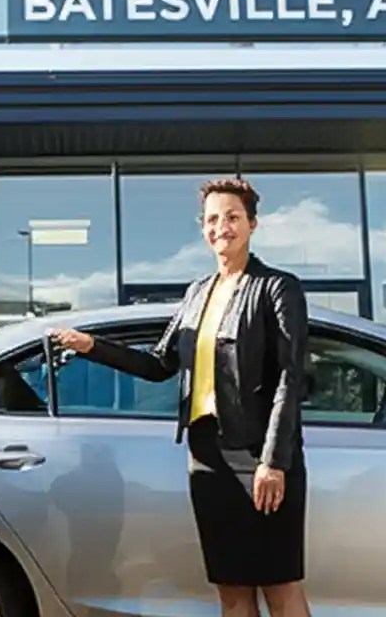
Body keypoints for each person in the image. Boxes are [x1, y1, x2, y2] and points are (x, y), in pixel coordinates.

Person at [51, 177, 311, 617]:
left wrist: (274, 461)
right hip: (207, 458)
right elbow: (158, 365)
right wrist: (91, 346)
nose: (221, 227)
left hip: (259, 455)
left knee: (278, 585)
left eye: (232, 217)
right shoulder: (197, 294)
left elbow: (292, 377)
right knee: (231, 588)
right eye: (212, 219)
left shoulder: (277, 288)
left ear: (252, 223)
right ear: (202, 228)